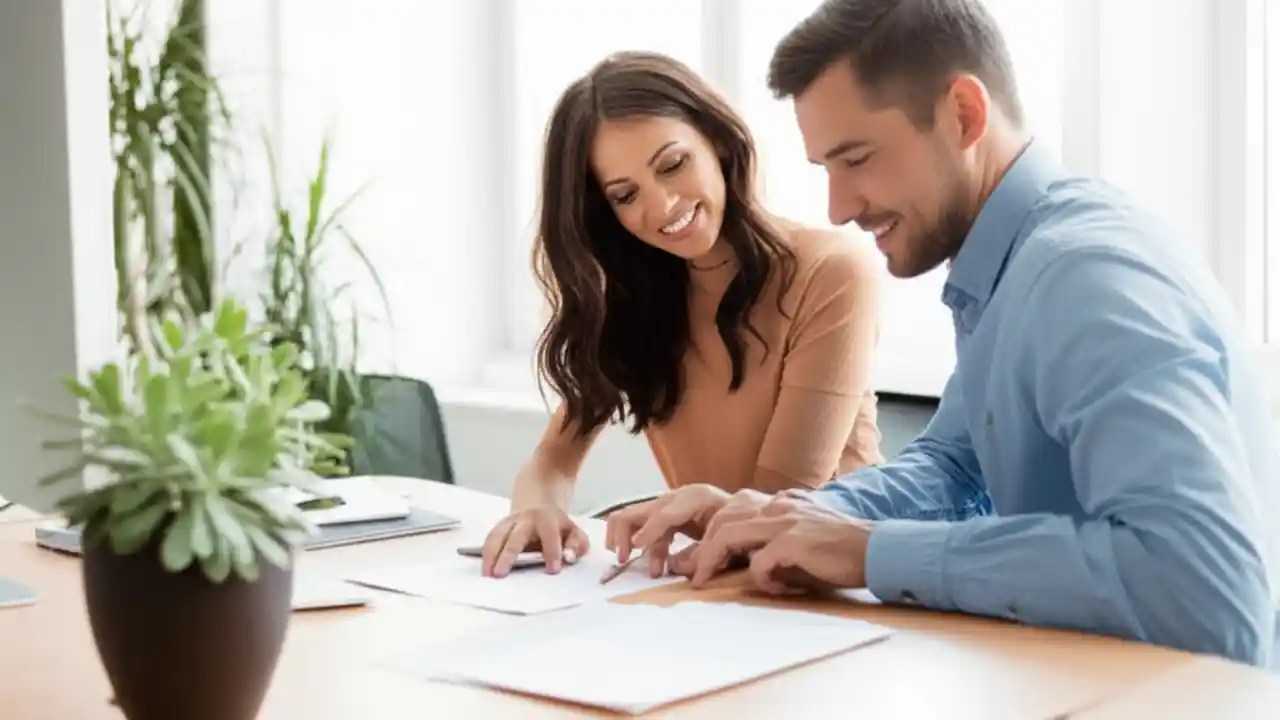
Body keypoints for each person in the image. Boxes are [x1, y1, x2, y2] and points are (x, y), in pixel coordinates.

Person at [608, 0, 1280, 667]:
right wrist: (789, 519)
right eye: (827, 169)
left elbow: (1207, 594)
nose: (839, 208)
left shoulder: (1085, 279)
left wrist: (870, 551)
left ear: (964, 114)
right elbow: (957, 466)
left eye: (858, 158)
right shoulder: (1010, 263)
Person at [480, 51, 887, 578]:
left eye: (672, 165)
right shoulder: (637, 300)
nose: (664, 204)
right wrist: (538, 510)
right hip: (719, 584)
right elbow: (553, 460)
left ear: (715, 140)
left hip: (831, 584)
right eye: (626, 196)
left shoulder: (831, 270)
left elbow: (777, 504)